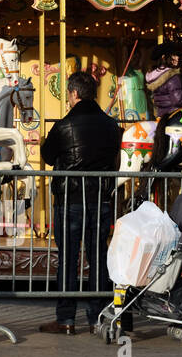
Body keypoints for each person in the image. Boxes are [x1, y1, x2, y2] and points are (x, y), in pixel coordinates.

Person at [38, 70, 122, 334]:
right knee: (98, 256)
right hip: (100, 199)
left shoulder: (63, 126)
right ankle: (97, 315)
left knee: (68, 258)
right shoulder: (111, 126)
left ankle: (66, 318)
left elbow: (49, 156)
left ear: (73, 94)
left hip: (70, 199)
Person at [146, 41, 182, 119]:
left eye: (177, 55)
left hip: (161, 116)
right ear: (164, 57)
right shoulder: (173, 77)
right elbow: (178, 100)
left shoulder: (155, 76)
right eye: (174, 55)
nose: (177, 58)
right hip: (175, 115)